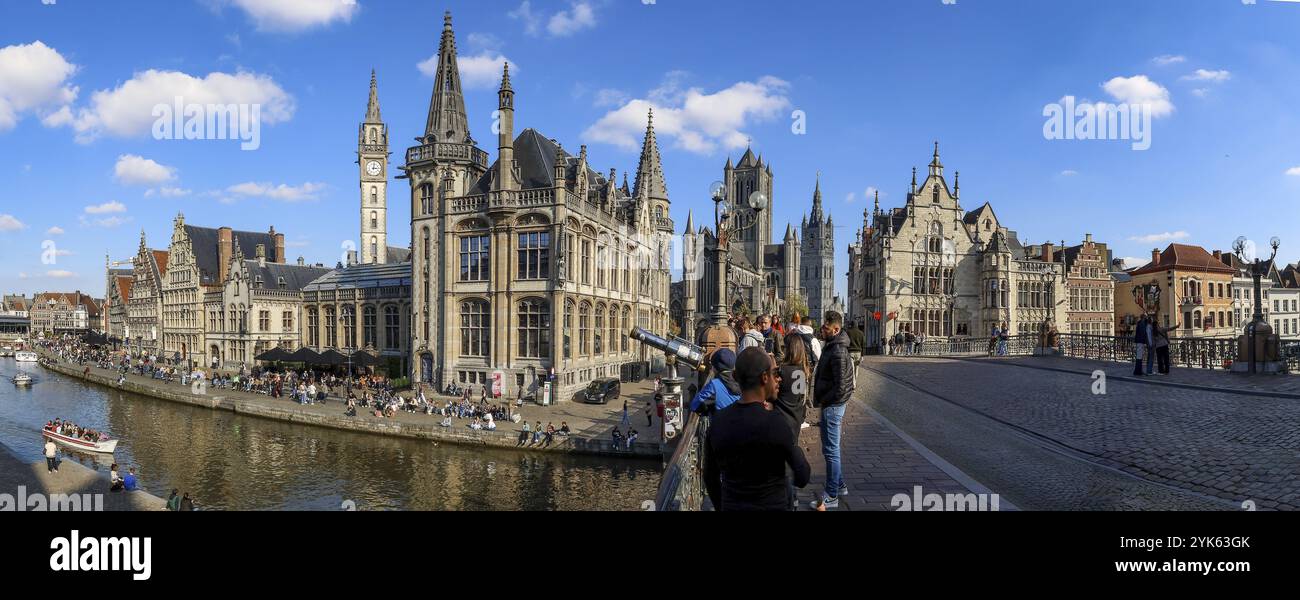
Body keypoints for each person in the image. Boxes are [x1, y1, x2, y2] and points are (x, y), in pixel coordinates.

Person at [703, 347, 811, 511]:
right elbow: (802, 476)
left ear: (735, 377)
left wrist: (723, 505)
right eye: (775, 374)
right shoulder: (776, 423)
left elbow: (710, 478)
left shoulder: (718, 423)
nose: (778, 379)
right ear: (765, 378)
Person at [811, 311, 852, 510]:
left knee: (830, 451)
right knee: (831, 449)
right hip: (831, 404)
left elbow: (842, 386)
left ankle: (832, 495)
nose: (822, 330)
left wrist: (825, 401)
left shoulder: (838, 351)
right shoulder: (833, 345)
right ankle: (840, 485)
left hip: (833, 406)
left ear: (835, 329)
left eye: (825, 328)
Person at [688, 349, 740, 413]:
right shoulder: (743, 383)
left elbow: (695, 406)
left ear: (714, 368)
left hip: (721, 422)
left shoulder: (714, 386)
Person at [845, 321, 865, 389]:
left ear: (851, 325)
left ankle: (853, 384)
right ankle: (855, 382)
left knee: (852, 369)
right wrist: (862, 355)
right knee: (856, 369)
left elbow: (845, 343)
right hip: (858, 353)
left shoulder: (848, 332)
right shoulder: (861, 333)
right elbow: (863, 345)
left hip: (850, 352)